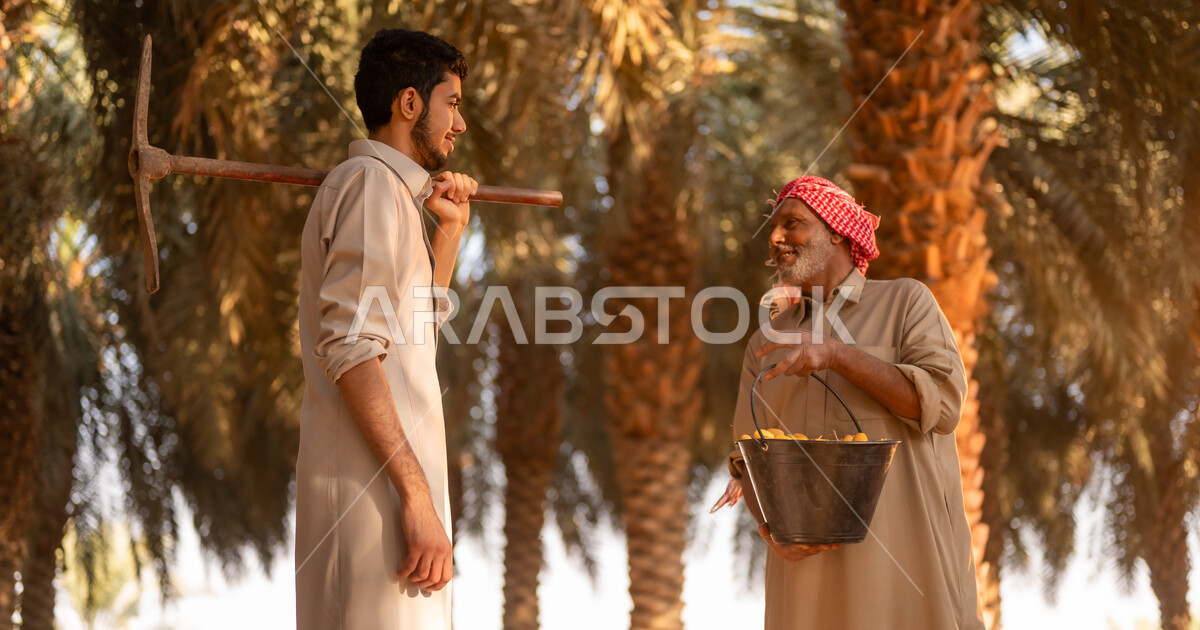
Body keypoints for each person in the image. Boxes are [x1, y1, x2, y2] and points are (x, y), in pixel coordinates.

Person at [726, 176, 985, 629]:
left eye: (793, 223)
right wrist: (770, 532)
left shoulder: (906, 302)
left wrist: (836, 354)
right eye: (773, 227)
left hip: (907, 585)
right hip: (803, 592)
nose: (775, 237)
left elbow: (942, 408)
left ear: (839, 233)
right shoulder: (765, 344)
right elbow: (747, 458)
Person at [294, 29, 477, 629]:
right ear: (408, 104)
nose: (460, 124)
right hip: (375, 506)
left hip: (393, 504)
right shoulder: (372, 186)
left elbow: (410, 335)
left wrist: (448, 231)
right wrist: (417, 499)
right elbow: (352, 348)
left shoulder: (393, 196)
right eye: (451, 103)